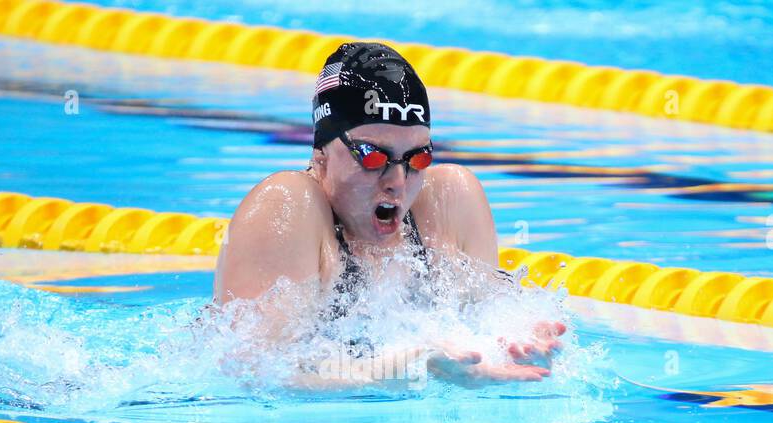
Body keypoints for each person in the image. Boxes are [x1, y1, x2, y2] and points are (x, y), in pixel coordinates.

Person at [213, 41, 565, 388]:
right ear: (321, 156)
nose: (397, 181)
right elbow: (253, 375)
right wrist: (394, 372)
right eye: (372, 157)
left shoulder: (448, 204)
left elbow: (482, 324)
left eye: (418, 158)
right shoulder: (289, 206)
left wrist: (517, 343)